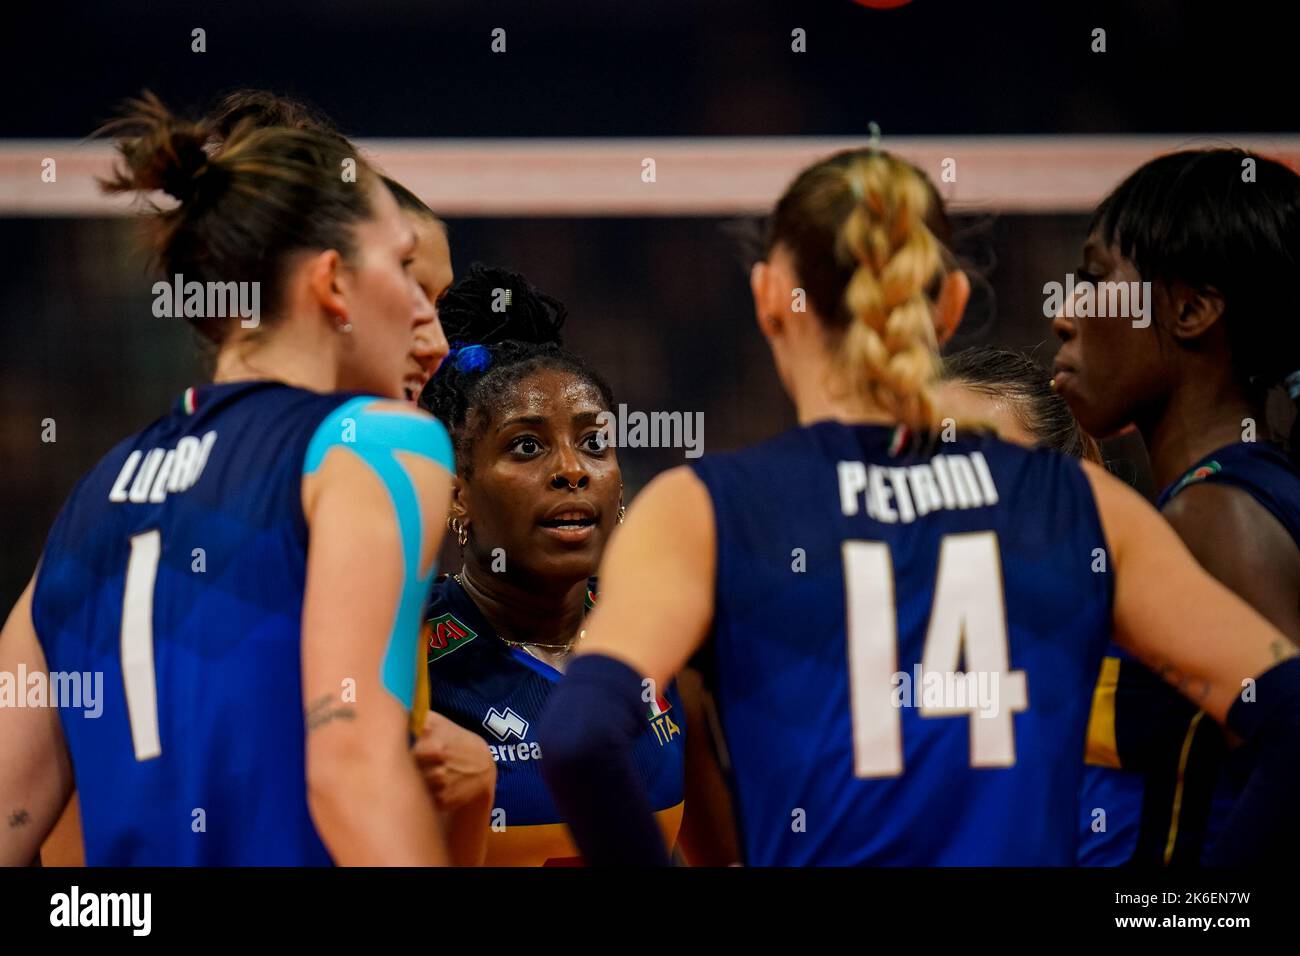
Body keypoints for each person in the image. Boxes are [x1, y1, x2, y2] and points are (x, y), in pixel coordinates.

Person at [536, 147, 1300, 866]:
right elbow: (1289, 714)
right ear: (953, 303)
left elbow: (579, 734)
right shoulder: (1085, 504)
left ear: (771, 295)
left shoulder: (700, 509)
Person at [0, 92, 455, 865]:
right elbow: (351, 768)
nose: (425, 318)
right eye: (405, 266)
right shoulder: (376, 445)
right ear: (332, 282)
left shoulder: (95, 495)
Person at [415, 262, 726, 865]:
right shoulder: (411, 658)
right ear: (457, 491)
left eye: (593, 443)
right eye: (526, 446)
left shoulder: (662, 645)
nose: (572, 470)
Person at [1052, 147, 1300, 865]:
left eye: (1096, 280)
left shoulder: (1214, 516)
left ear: (1191, 310)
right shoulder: (1242, 490)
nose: (1065, 315)